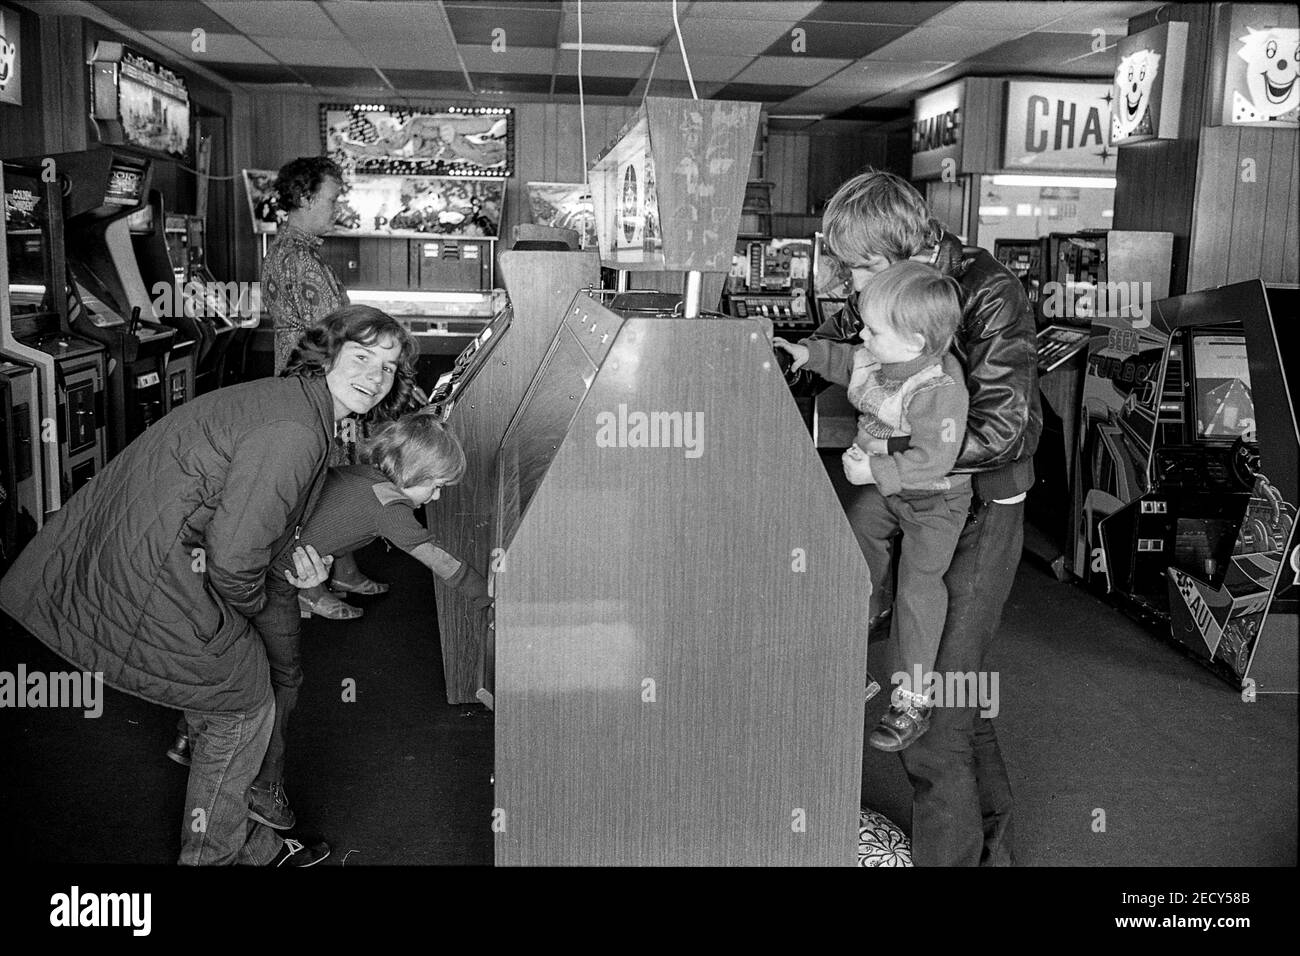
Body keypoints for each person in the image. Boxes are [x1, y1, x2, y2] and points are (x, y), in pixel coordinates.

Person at [0, 305, 417, 865]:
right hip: (151, 567)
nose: (375, 375)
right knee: (243, 704)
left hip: (140, 546)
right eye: (363, 357)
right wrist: (243, 609)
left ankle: (252, 844)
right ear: (329, 355)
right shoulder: (296, 429)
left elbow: (258, 518)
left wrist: (287, 568)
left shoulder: (294, 402)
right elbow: (237, 556)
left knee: (237, 683)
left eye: (388, 368)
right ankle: (214, 857)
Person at [812, 169, 1041, 866]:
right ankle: (987, 846)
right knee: (954, 684)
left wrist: (890, 454)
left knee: (936, 713)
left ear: (891, 257)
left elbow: (1001, 428)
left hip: (980, 505)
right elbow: (854, 344)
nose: (848, 284)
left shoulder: (990, 291)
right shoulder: (890, 285)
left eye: (855, 268)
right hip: (917, 496)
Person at [240, 409, 493, 830]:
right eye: (436, 484)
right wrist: (491, 600)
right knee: (285, 678)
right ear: (413, 471)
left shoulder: (363, 475)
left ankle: (191, 736)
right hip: (273, 583)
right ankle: (265, 786)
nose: (437, 496)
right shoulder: (391, 510)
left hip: (253, 562)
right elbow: (446, 566)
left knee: (238, 660)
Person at [775, 260, 970, 753]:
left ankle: (913, 698)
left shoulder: (939, 388)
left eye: (874, 328)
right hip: (888, 492)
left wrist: (875, 472)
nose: (862, 333)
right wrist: (805, 352)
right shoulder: (879, 356)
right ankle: (851, 649)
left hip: (934, 499)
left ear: (916, 343)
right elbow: (845, 361)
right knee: (852, 550)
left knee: (919, 587)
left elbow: (935, 459)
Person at [261, 155, 385, 620]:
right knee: (318, 486)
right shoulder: (300, 260)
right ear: (307, 198)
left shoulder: (293, 249)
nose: (337, 208)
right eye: (332, 199)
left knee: (330, 476)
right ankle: (306, 589)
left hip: (308, 383)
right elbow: (333, 335)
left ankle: (344, 568)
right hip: (318, 389)